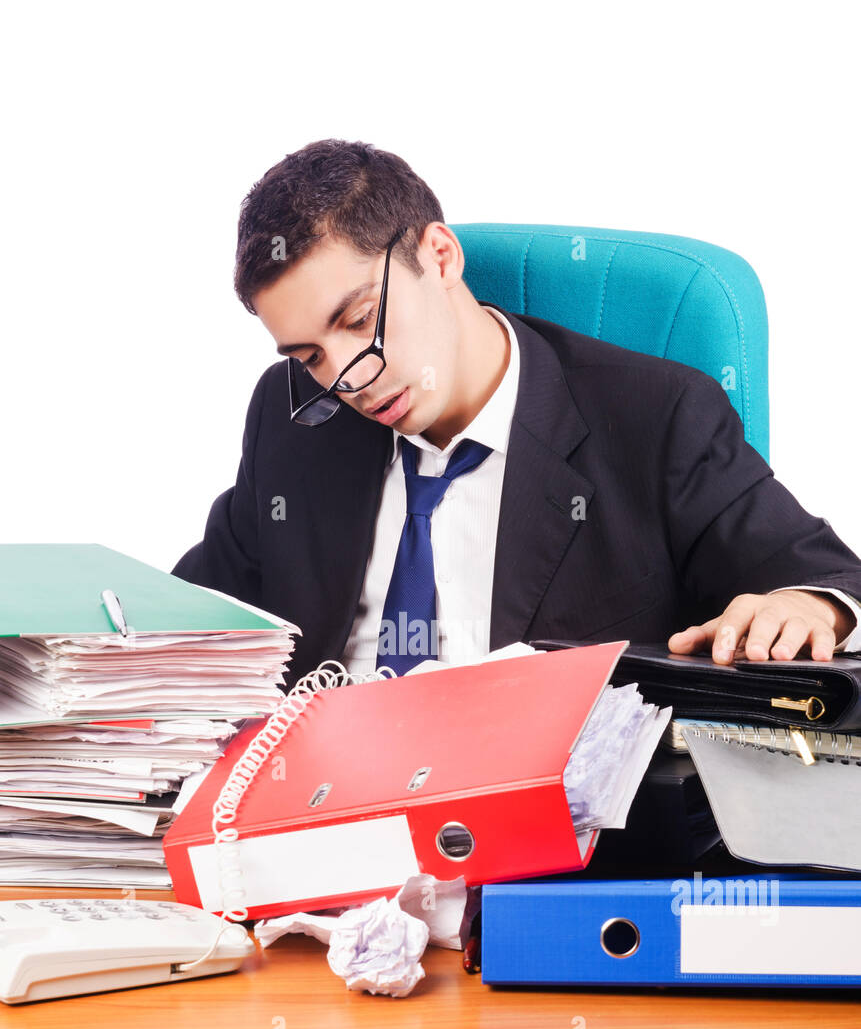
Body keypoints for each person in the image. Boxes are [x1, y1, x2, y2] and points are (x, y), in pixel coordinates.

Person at [172, 139, 861, 685]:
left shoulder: (656, 419)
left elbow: (833, 580)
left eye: (360, 320)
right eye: (308, 356)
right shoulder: (295, 418)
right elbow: (191, 622)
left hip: (556, 836)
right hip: (318, 827)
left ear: (438, 257)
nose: (349, 379)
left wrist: (808, 605)